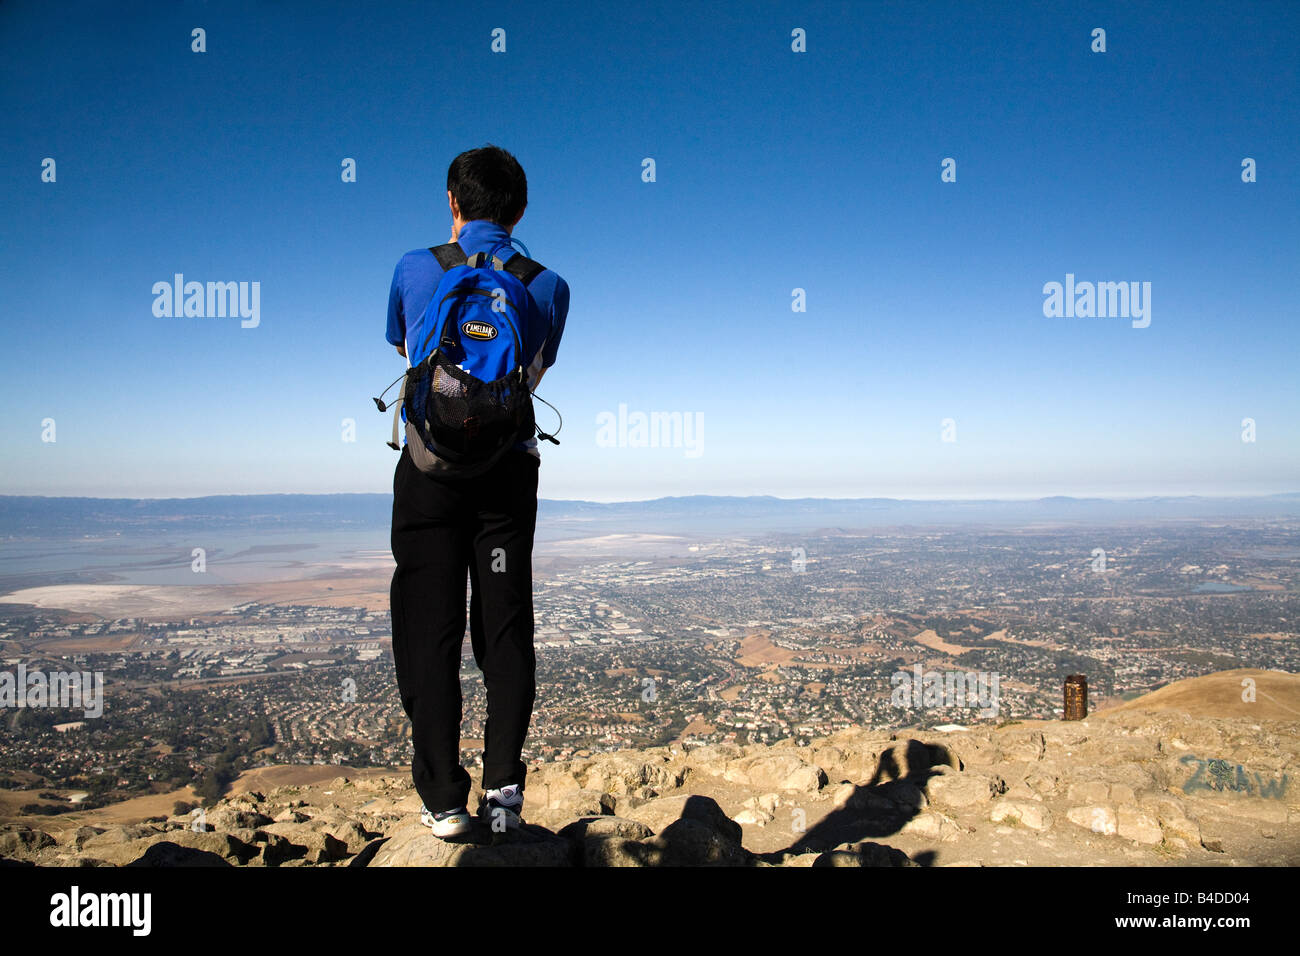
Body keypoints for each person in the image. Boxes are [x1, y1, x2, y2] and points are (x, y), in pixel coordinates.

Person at [385, 144, 569, 838]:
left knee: (430, 632)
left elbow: (407, 353)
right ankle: (503, 795)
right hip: (506, 477)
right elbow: (531, 376)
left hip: (429, 475)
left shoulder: (415, 268)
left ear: (452, 205)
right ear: (520, 211)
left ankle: (441, 801)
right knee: (505, 629)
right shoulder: (547, 284)